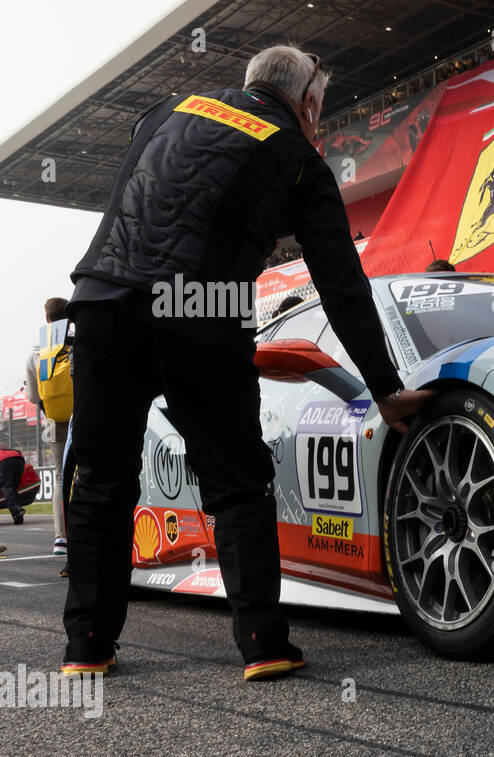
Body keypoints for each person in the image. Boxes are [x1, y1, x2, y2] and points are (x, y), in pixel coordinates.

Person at [59, 46, 430, 680]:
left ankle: (86, 647)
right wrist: (386, 387)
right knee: (236, 481)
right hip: (202, 309)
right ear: (308, 104)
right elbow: (342, 286)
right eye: (320, 108)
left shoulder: (166, 109)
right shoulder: (300, 158)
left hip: (103, 299)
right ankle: (262, 642)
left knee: (100, 478)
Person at [24, 297, 72, 559]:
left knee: (59, 477)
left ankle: (60, 537)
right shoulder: (77, 343)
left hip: (53, 420)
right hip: (80, 416)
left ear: (47, 320)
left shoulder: (35, 353)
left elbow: (32, 397)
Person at [0, 445, 24, 525]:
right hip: (19, 457)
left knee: (6, 486)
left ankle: (17, 509)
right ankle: (18, 517)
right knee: (12, 489)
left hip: (4, 460)